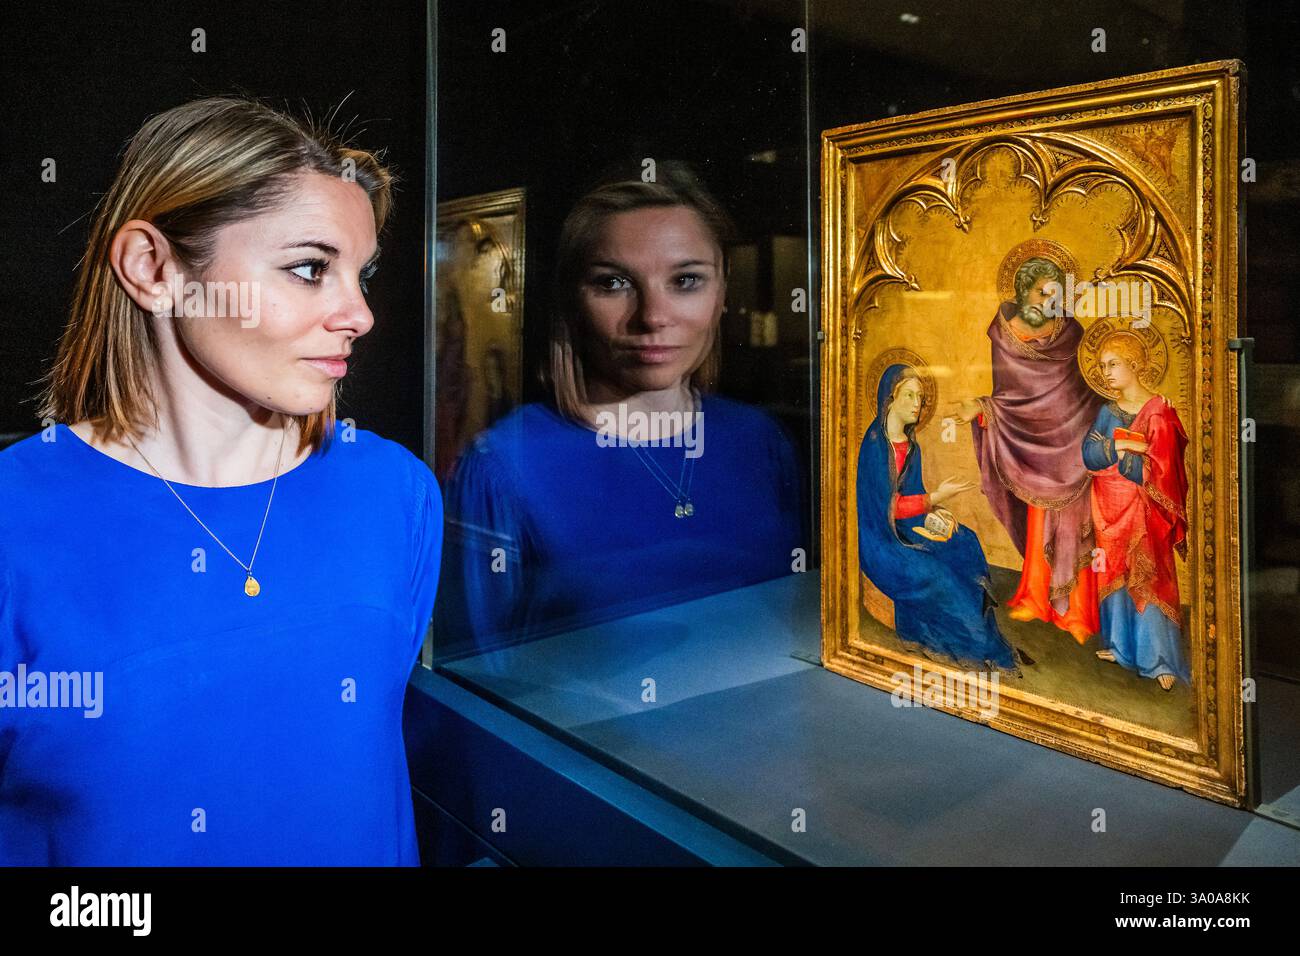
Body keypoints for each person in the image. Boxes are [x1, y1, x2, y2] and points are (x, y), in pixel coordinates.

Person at [0, 96, 443, 864]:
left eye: (360, 273)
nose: (361, 313)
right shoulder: (16, 516)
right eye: (310, 269)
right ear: (155, 268)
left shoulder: (394, 494)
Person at [436, 164, 804, 653]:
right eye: (614, 283)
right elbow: (472, 684)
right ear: (572, 299)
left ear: (722, 292)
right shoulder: (505, 467)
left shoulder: (759, 440)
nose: (653, 316)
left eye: (687, 280)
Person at [953, 248, 1103, 645]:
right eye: (1041, 294)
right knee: (1040, 527)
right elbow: (1012, 397)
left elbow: (1085, 389)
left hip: (1075, 443)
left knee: (1075, 525)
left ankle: (1077, 613)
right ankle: (1037, 599)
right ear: (1022, 291)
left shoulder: (1071, 333)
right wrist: (984, 409)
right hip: (1032, 449)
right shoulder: (1004, 337)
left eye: (1055, 295)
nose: (1049, 303)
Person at [858, 364, 1023, 672]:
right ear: (889, 400)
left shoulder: (911, 446)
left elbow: (915, 493)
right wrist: (936, 498)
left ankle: (982, 632)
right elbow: (888, 509)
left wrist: (938, 515)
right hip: (882, 540)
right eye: (909, 395)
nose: (917, 404)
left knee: (965, 541)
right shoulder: (874, 446)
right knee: (939, 576)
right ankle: (971, 644)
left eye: (920, 396)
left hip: (907, 527)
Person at [1082, 333, 1191, 690]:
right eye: (1102, 366)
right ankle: (1119, 646)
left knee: (1149, 575)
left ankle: (1159, 659)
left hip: (1147, 508)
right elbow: (1088, 452)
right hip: (1108, 507)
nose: (1106, 373)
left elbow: (1167, 464)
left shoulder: (1160, 409)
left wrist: (1129, 456)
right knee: (1113, 572)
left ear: (1135, 365)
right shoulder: (1106, 411)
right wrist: (1120, 447)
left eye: (1113, 364)